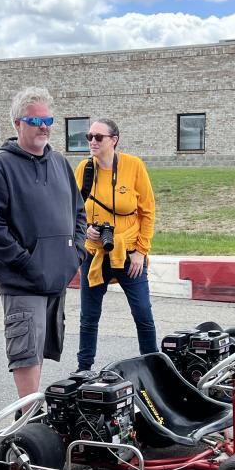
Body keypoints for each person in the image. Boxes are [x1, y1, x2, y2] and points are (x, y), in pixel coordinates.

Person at [0, 87, 86, 398]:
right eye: (34, 120)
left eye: (48, 119)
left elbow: (79, 213)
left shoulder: (60, 164)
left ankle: (34, 416)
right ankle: (28, 422)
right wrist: (28, 263)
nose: (43, 126)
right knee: (26, 351)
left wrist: (74, 254)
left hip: (56, 276)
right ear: (17, 124)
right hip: (23, 282)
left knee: (40, 349)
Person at [74, 118, 157, 370]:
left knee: (143, 314)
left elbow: (147, 212)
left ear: (114, 140)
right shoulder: (84, 169)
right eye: (89, 137)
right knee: (89, 317)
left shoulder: (133, 166)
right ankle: (83, 369)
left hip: (129, 253)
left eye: (99, 137)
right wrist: (85, 229)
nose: (92, 142)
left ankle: (154, 366)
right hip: (94, 254)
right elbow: (73, 210)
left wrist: (141, 252)